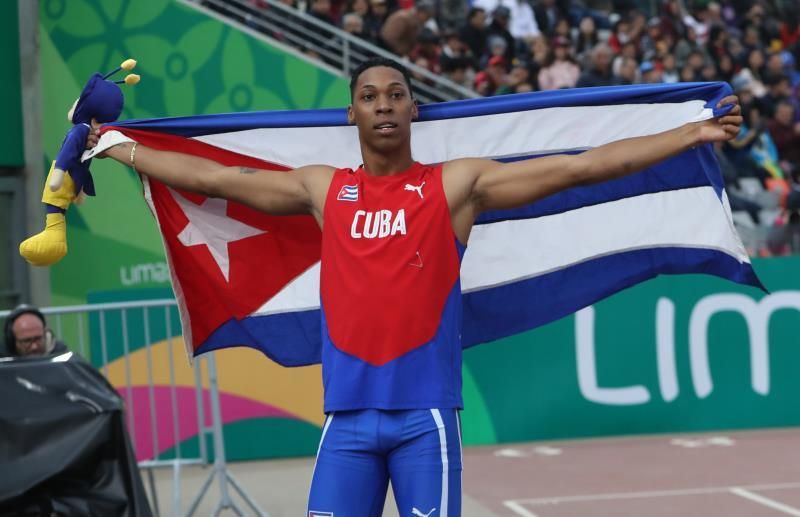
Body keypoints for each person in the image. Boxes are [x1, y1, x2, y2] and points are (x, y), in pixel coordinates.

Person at [90, 57, 742, 516]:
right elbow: (218, 178)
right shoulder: (323, 188)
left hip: (425, 420)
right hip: (345, 420)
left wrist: (692, 132)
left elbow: (581, 167)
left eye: (396, 94)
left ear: (413, 108)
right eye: (370, 96)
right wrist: (119, 147)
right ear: (352, 112)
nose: (383, 104)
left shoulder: (454, 185)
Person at [2, 304, 68, 358]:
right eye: (27, 341)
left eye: (38, 339)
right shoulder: (2, 358)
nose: (34, 347)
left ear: (45, 334)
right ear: (12, 340)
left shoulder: (60, 354)